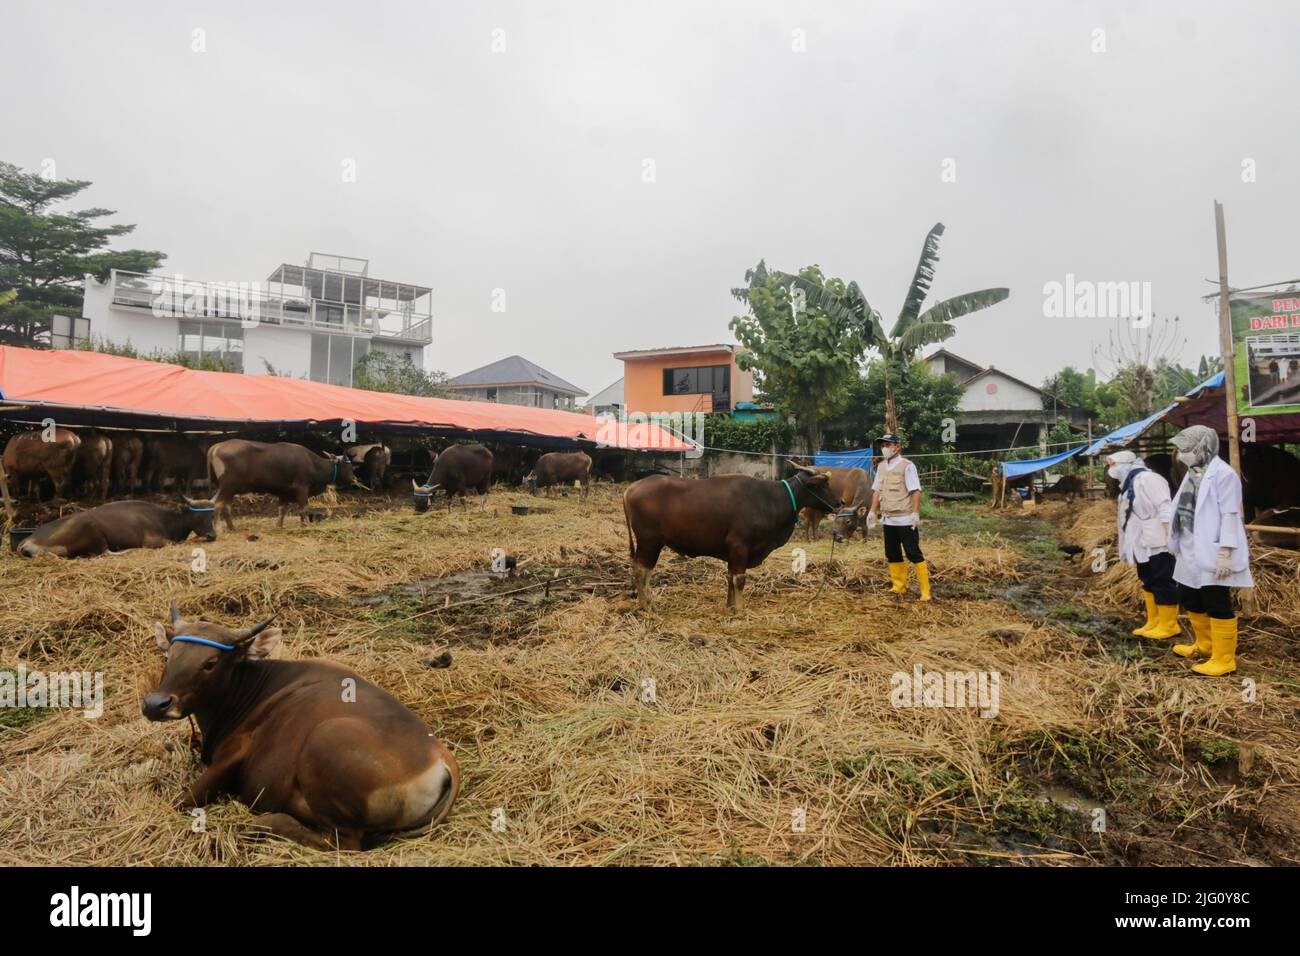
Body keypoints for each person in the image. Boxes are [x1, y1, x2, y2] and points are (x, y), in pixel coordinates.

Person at [1166, 425, 1253, 676]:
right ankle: (1205, 645)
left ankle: (1224, 659)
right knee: (1190, 596)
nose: (1182, 453)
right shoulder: (1194, 473)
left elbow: (1229, 515)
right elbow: (1179, 508)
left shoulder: (1224, 474)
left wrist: (1225, 551)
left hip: (1213, 548)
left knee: (1216, 600)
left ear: (1202, 446)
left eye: (1186, 448)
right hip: (1189, 546)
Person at [1107, 450, 1178, 639]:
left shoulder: (1149, 479)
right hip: (1140, 542)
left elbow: (1165, 507)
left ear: (1126, 463)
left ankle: (1169, 625)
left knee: (1163, 580)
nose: (1111, 469)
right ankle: (1154, 620)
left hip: (1158, 540)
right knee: (1148, 579)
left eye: (1113, 464)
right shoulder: (1128, 484)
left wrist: (1168, 537)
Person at [865, 432, 930, 601]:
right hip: (888, 519)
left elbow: (915, 491)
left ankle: (925, 591)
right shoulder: (881, 467)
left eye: (888, 444)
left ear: (897, 446)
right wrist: (872, 511)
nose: (885, 448)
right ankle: (899, 586)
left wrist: (915, 513)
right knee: (892, 553)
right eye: (883, 445)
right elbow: (877, 491)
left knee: (913, 552)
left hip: (905, 518)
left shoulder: (907, 466)